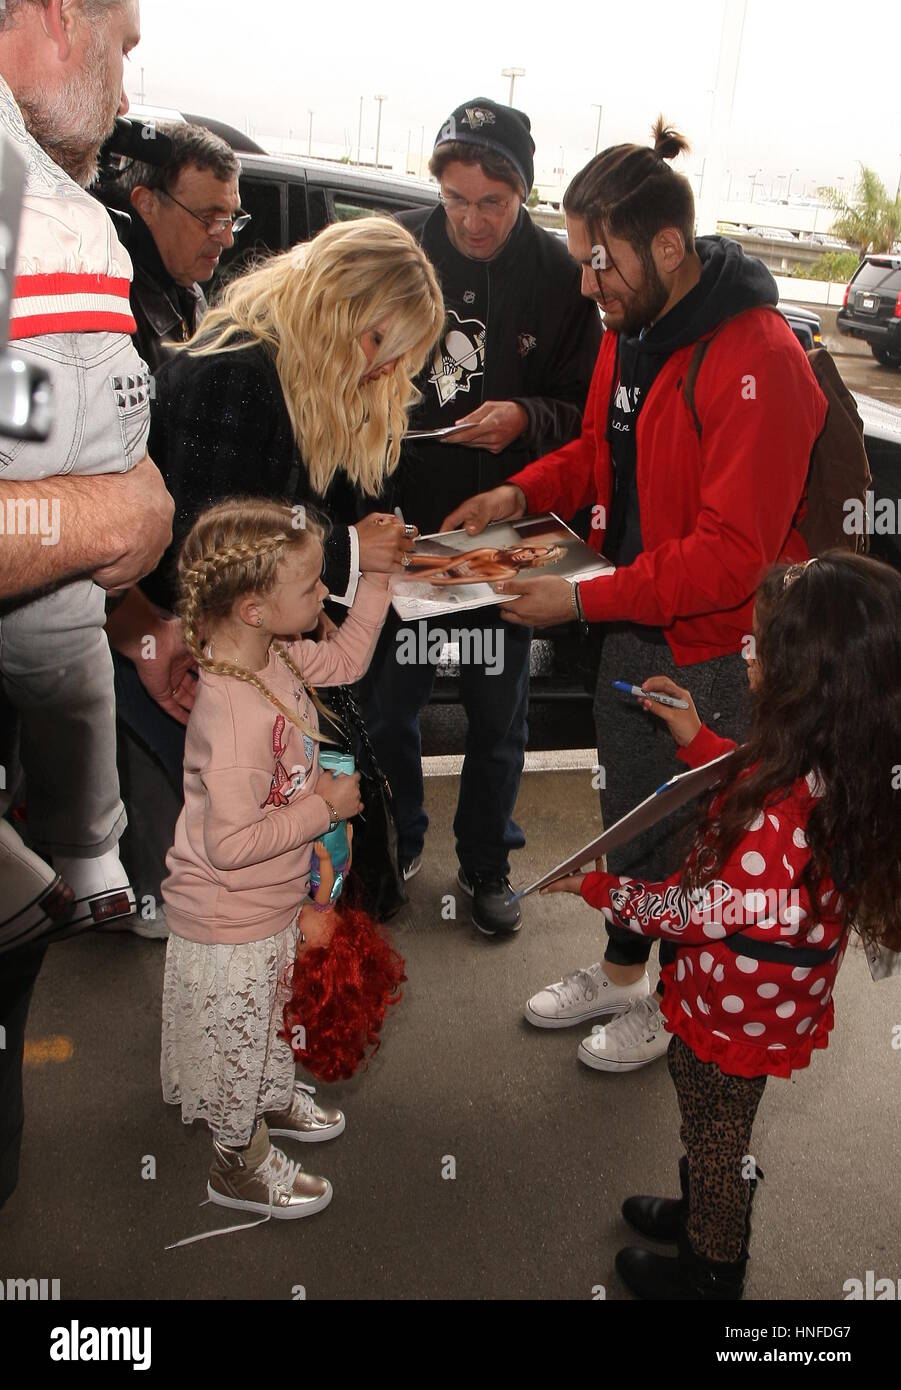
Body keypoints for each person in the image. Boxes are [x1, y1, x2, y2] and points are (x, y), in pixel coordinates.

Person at [442, 118, 827, 1049]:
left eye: (600, 262)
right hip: (633, 615)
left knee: (710, 839)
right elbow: (596, 451)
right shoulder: (633, 323)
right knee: (634, 816)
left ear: (665, 246)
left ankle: (682, 1008)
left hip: (719, 649)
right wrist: (516, 491)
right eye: (578, 260)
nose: (586, 284)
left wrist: (577, 598)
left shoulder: (759, 360)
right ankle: (623, 976)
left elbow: (731, 557)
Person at [541, 553, 901, 1299]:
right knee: (704, 1113)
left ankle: (710, 1268)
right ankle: (704, 1203)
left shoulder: (777, 822)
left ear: (803, 677)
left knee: (714, 1132)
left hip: (737, 1008)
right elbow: (747, 775)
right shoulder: (824, 757)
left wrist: (599, 887)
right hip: (748, 995)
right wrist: (695, 737)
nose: (744, 653)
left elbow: (690, 913)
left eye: (758, 646)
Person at [107, 216, 444, 931]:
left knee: (297, 869)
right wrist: (349, 554)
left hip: (241, 656)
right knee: (258, 869)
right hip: (202, 660)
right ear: (335, 303)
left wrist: (357, 560)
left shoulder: (285, 369)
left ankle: (276, 998)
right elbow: (203, 545)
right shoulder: (236, 373)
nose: (385, 370)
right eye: (380, 342)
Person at [0, 0, 176, 1212]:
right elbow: (58, 530)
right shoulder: (49, 222)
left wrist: (138, 621)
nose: (130, 66)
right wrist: (106, 524)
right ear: (61, 18)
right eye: (122, 33)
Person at [360, 97, 602, 936]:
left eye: (491, 203)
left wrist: (523, 418)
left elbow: (585, 412)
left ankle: (488, 864)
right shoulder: (394, 248)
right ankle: (395, 840)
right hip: (401, 531)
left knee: (498, 718)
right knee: (388, 710)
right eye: (455, 199)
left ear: (524, 195)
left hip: (501, 537)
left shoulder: (560, 279)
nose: (470, 220)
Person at [160, 499, 392, 1218]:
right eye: (312, 587)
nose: (324, 596)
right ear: (256, 608)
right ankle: (237, 1162)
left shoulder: (275, 654)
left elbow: (349, 659)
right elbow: (227, 847)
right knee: (238, 1039)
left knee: (269, 1016)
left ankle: (271, 1092)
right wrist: (325, 807)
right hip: (231, 917)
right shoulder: (231, 714)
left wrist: (377, 577)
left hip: (276, 899)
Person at [105, 120, 243, 372]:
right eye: (211, 219)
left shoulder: (188, 290)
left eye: (230, 219)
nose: (227, 239)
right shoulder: (112, 310)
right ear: (147, 204)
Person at [402, 543, 565, 585]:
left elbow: (457, 581)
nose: (525, 556)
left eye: (532, 557)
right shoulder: (490, 552)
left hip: (450, 580)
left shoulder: (509, 573)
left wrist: (416, 580)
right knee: (410, 560)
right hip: (445, 565)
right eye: (530, 551)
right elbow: (449, 564)